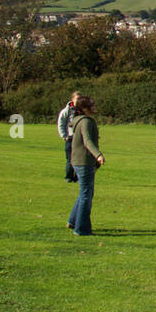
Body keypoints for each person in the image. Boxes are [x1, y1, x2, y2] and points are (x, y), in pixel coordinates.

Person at [67, 95, 104, 236]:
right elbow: (87, 141)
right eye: (92, 105)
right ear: (84, 108)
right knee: (86, 195)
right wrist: (98, 155)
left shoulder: (80, 121)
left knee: (84, 193)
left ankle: (72, 221)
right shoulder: (86, 122)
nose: (95, 106)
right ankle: (81, 229)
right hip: (83, 162)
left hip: (79, 161)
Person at [56, 91, 83, 182]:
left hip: (80, 138)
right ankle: (68, 177)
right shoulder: (66, 111)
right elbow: (61, 124)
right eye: (77, 98)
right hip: (70, 138)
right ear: (73, 99)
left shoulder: (83, 110)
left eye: (80, 98)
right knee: (70, 159)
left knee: (80, 159)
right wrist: (64, 136)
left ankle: (77, 177)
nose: (79, 100)